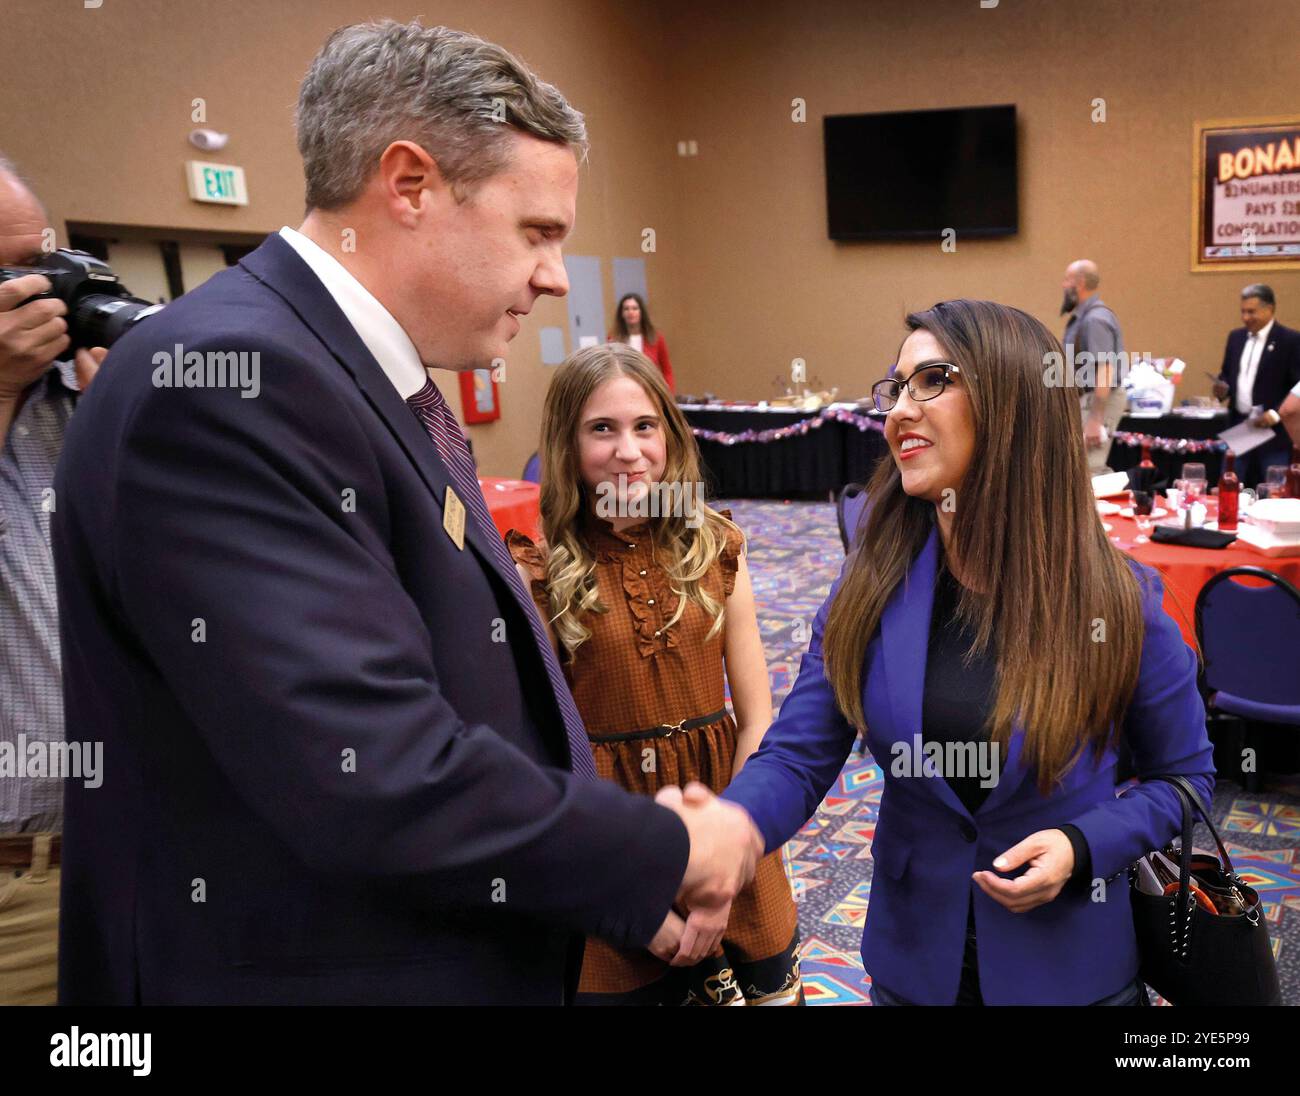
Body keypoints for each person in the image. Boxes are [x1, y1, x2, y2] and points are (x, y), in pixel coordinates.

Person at [52, 20, 761, 1006]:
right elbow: (369, 766)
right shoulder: (232, 385)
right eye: (539, 232)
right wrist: (661, 848)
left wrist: (589, 882)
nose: (558, 275)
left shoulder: (353, 378)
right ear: (411, 185)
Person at [715, 299, 1215, 1005]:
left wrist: (1081, 845)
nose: (897, 412)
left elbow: (1185, 778)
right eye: (895, 387)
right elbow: (798, 754)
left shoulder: (1117, 600)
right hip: (915, 965)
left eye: (932, 381)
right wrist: (725, 831)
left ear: (1014, 404)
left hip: (1070, 969)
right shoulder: (872, 588)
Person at [506, 344, 802, 1005]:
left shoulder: (717, 545)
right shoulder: (541, 572)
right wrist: (628, 891)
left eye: (645, 426)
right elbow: (543, 757)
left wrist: (731, 851)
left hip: (725, 814)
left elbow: (758, 719)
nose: (629, 451)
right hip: (610, 839)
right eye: (601, 429)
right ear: (567, 443)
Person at [0, 155, 106, 1005]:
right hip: (19, 892)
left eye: (48, 269)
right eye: (13, 279)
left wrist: (133, 426)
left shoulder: (80, 401)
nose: (41, 300)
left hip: (137, 852)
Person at [1212, 284, 1300, 486]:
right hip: (1241, 425)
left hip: (1273, 430)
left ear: (1269, 309)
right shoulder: (1236, 338)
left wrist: (1276, 413)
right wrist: (1222, 388)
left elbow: (1298, 385)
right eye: (1243, 311)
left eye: (1251, 312)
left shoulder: (1290, 340)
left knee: (1275, 490)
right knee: (1230, 484)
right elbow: (1227, 373)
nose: (1245, 317)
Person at [1061, 259, 1127, 474]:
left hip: (1098, 400)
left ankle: (1097, 508)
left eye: (1067, 280)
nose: (1063, 285)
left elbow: (1105, 370)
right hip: (1089, 400)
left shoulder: (1095, 320)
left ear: (1080, 283)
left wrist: (1094, 420)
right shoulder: (1086, 318)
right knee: (1083, 468)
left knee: (1089, 469)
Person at [609, 292, 673, 392]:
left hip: (650, 390)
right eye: (626, 309)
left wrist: (669, 393)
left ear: (641, 312)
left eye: (635, 308)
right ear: (621, 313)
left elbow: (667, 370)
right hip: (624, 390)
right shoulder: (613, 339)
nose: (631, 312)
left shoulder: (656, 338)